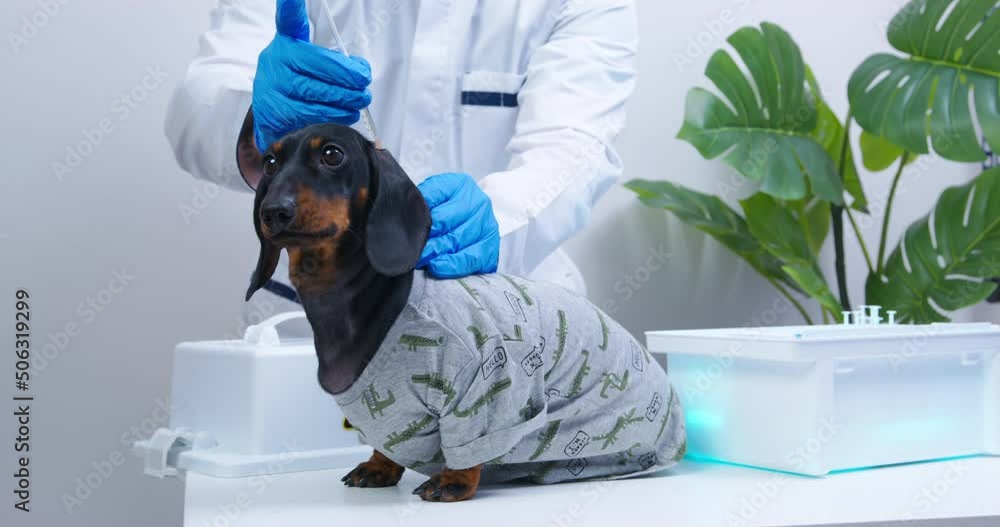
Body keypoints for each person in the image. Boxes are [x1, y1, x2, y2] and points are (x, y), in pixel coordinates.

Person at [165, 0, 637, 331]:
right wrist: (255, 120)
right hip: (313, 335)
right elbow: (194, 107)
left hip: (506, 325)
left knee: (479, 455)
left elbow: (574, 144)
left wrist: (500, 218)